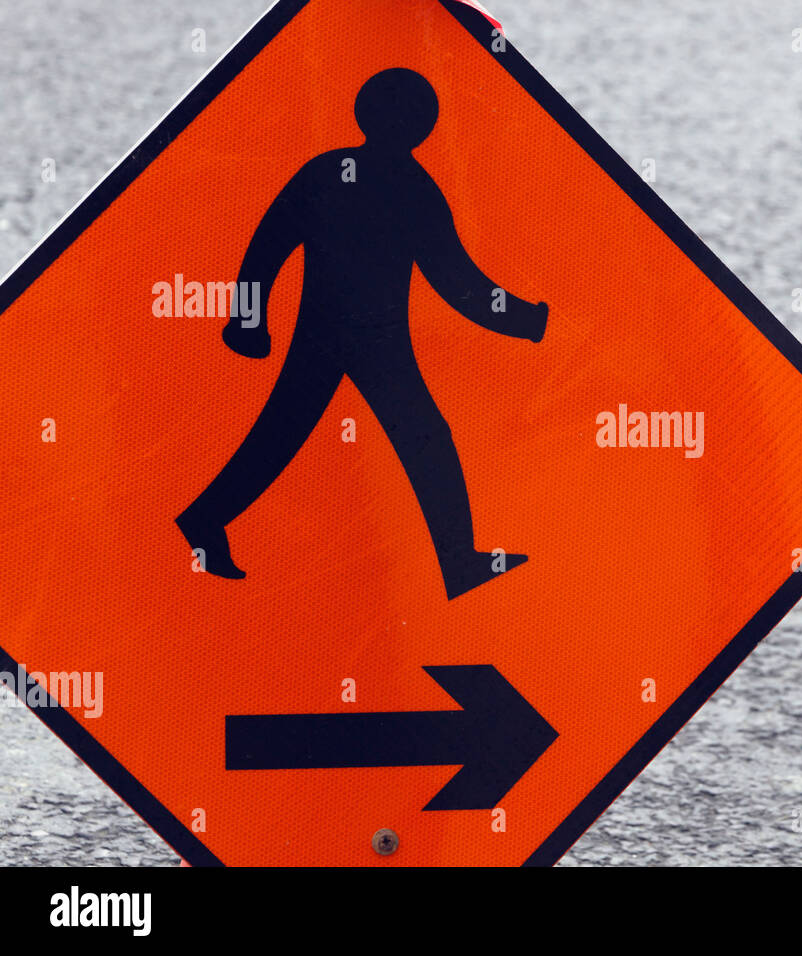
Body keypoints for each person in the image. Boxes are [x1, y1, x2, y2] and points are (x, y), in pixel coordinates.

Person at [177, 68, 547, 600]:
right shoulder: (393, 184)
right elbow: (456, 282)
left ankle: (205, 519)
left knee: (295, 435)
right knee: (414, 437)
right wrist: (527, 321)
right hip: (364, 339)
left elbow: (453, 278)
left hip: (355, 336)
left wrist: (248, 317)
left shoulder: (338, 173)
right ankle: (459, 561)